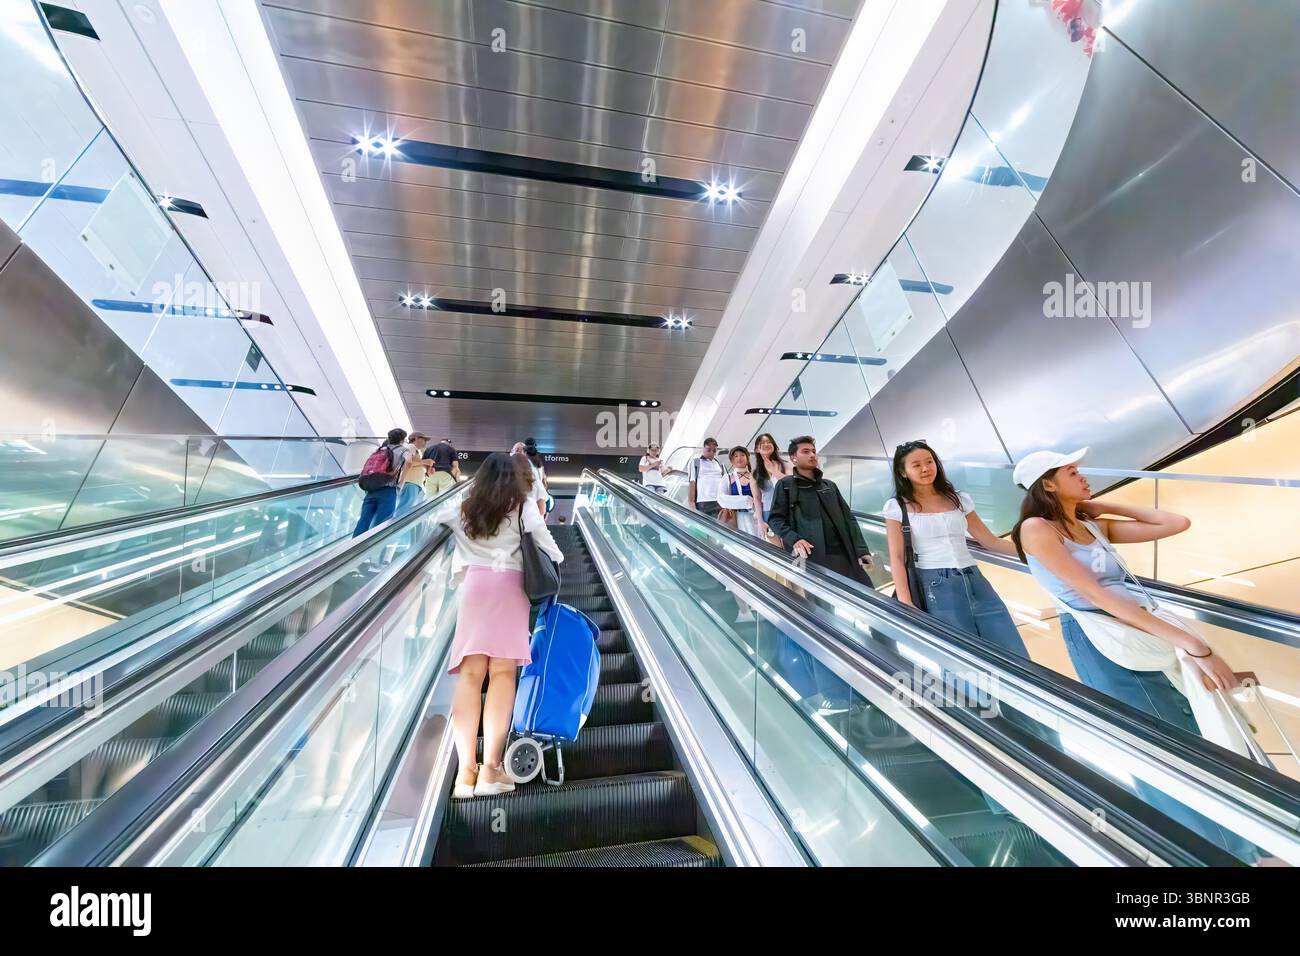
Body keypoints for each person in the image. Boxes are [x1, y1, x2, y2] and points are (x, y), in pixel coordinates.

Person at [1012, 447, 1254, 858]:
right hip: (1102, 636)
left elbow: (1175, 522)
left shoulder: (1093, 525)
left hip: (1142, 632)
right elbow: (1098, 597)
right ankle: (1215, 854)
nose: (1082, 476)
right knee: (1160, 747)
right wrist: (1195, 645)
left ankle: (1235, 846)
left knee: (1189, 734)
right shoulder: (1036, 527)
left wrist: (1093, 505)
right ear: (1047, 483)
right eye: (1072, 472)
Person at [433, 452, 564, 799]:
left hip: (474, 588)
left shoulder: (465, 508)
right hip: (510, 587)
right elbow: (552, 550)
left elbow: (434, 518)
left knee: (471, 674)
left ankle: (465, 773)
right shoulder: (523, 506)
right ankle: (491, 768)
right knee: (503, 673)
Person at [884, 440, 1027, 658]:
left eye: (929, 461)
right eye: (916, 465)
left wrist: (1033, 552)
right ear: (903, 472)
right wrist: (905, 601)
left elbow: (989, 540)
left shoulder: (958, 498)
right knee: (963, 654)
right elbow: (896, 556)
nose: (925, 468)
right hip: (937, 584)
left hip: (975, 579)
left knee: (1009, 646)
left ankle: (1020, 690)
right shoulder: (897, 507)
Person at [767, 436, 872, 584]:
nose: (812, 455)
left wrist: (861, 550)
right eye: (805, 451)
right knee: (823, 602)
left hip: (845, 555)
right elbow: (775, 519)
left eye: (813, 451)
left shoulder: (829, 485)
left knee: (864, 597)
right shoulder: (785, 485)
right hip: (812, 557)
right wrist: (795, 539)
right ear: (793, 458)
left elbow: (849, 519)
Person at [352, 428, 408, 537]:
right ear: (402, 440)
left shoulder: (380, 449)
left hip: (371, 489)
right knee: (382, 524)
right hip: (387, 490)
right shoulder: (403, 449)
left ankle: (353, 548)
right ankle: (372, 551)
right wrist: (401, 482)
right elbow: (409, 461)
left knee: (363, 520)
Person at [751, 432, 793, 544]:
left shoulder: (786, 465)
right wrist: (760, 522)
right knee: (777, 549)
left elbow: (791, 484)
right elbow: (757, 499)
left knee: (791, 547)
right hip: (768, 513)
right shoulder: (755, 474)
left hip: (788, 511)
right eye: (762, 443)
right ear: (756, 449)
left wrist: (774, 471)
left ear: (774, 446)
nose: (766, 444)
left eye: (769, 442)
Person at [723, 445, 761, 537]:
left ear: (747, 459)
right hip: (739, 517)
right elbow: (721, 498)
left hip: (759, 515)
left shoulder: (756, 475)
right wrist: (747, 501)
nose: (739, 458)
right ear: (732, 461)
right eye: (736, 456)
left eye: (742, 455)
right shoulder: (728, 477)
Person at [686, 438, 728, 518]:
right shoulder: (696, 462)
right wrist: (691, 503)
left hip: (720, 501)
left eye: (714, 451)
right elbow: (692, 482)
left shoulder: (718, 464)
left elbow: (725, 483)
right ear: (703, 448)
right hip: (704, 502)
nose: (711, 453)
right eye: (709, 450)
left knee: (721, 528)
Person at [396, 432, 432, 514]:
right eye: (424, 439)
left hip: (415, 484)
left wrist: (425, 468)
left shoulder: (416, 451)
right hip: (410, 483)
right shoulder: (410, 447)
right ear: (416, 438)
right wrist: (425, 462)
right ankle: (398, 526)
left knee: (408, 511)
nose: (425, 442)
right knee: (403, 510)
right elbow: (408, 462)